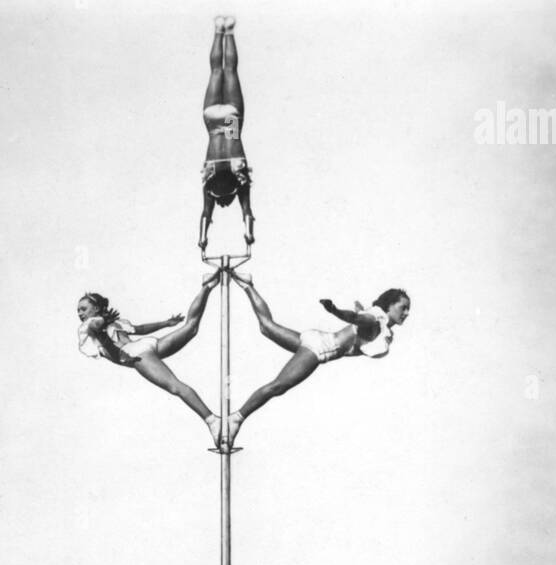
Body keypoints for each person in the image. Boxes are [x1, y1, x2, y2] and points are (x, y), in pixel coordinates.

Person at [225, 271, 411, 443]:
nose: (406, 313)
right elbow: (356, 319)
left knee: (267, 327)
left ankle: (247, 284)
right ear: (390, 305)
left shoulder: (380, 323)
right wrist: (336, 311)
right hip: (319, 348)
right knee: (278, 386)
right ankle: (236, 419)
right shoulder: (376, 321)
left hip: (318, 338)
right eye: (403, 307)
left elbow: (359, 319)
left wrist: (356, 309)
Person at [77, 267, 222, 443]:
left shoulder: (93, 324)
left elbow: (133, 330)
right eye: (79, 310)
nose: (80, 313)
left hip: (135, 352)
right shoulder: (98, 324)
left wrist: (165, 323)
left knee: (175, 387)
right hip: (145, 345)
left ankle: (212, 420)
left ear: (97, 308)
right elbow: (108, 330)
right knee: (191, 328)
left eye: (84, 309)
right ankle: (207, 286)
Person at [199, 17, 254, 251]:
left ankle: (226, 30)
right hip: (213, 123)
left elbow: (247, 213)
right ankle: (220, 30)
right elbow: (205, 215)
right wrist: (202, 237)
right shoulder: (209, 185)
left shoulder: (238, 184)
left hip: (230, 129)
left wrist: (249, 232)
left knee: (227, 71)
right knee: (217, 71)